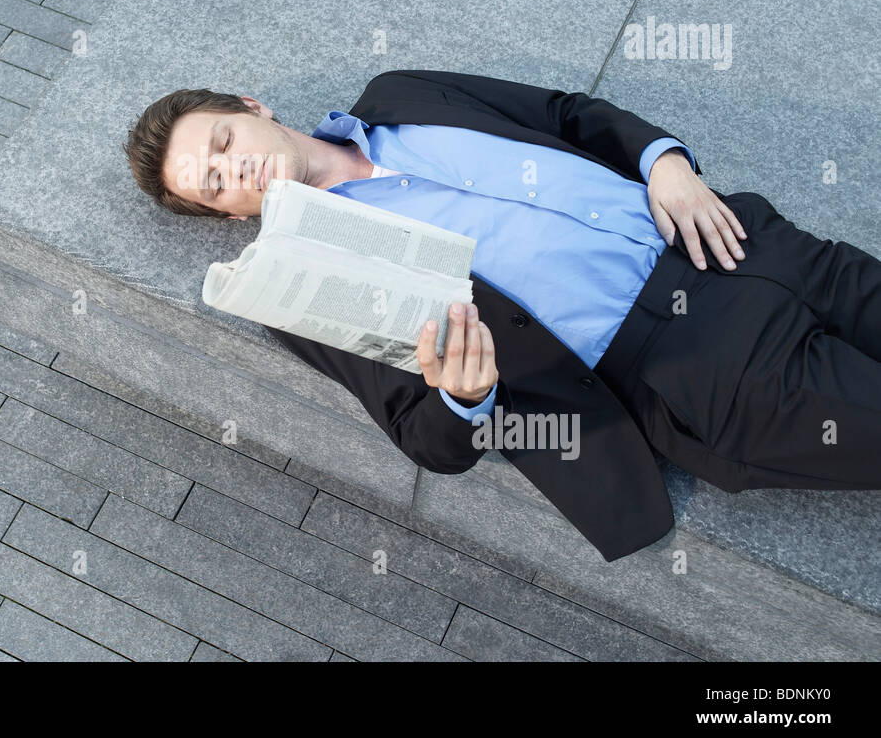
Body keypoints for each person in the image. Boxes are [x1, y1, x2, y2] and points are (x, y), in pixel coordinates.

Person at [123, 68, 881, 561]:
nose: (235, 168)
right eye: (214, 184)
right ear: (222, 214)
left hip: (736, 239)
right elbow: (425, 435)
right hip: (688, 367)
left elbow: (566, 113)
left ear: (250, 105)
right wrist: (466, 394)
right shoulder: (309, 282)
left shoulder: (398, 93)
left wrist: (664, 162)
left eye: (222, 142)